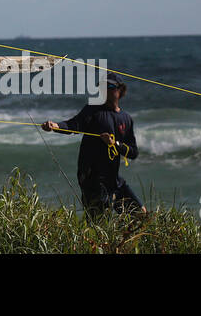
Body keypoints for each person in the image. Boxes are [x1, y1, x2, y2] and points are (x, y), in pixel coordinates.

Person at [42, 76, 145, 217]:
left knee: (140, 214)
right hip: (93, 179)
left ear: (120, 90)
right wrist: (56, 126)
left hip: (114, 180)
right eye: (102, 87)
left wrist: (115, 144)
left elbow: (133, 153)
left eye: (109, 87)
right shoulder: (93, 110)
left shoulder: (126, 118)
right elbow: (74, 125)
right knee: (99, 224)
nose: (105, 91)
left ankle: (122, 237)